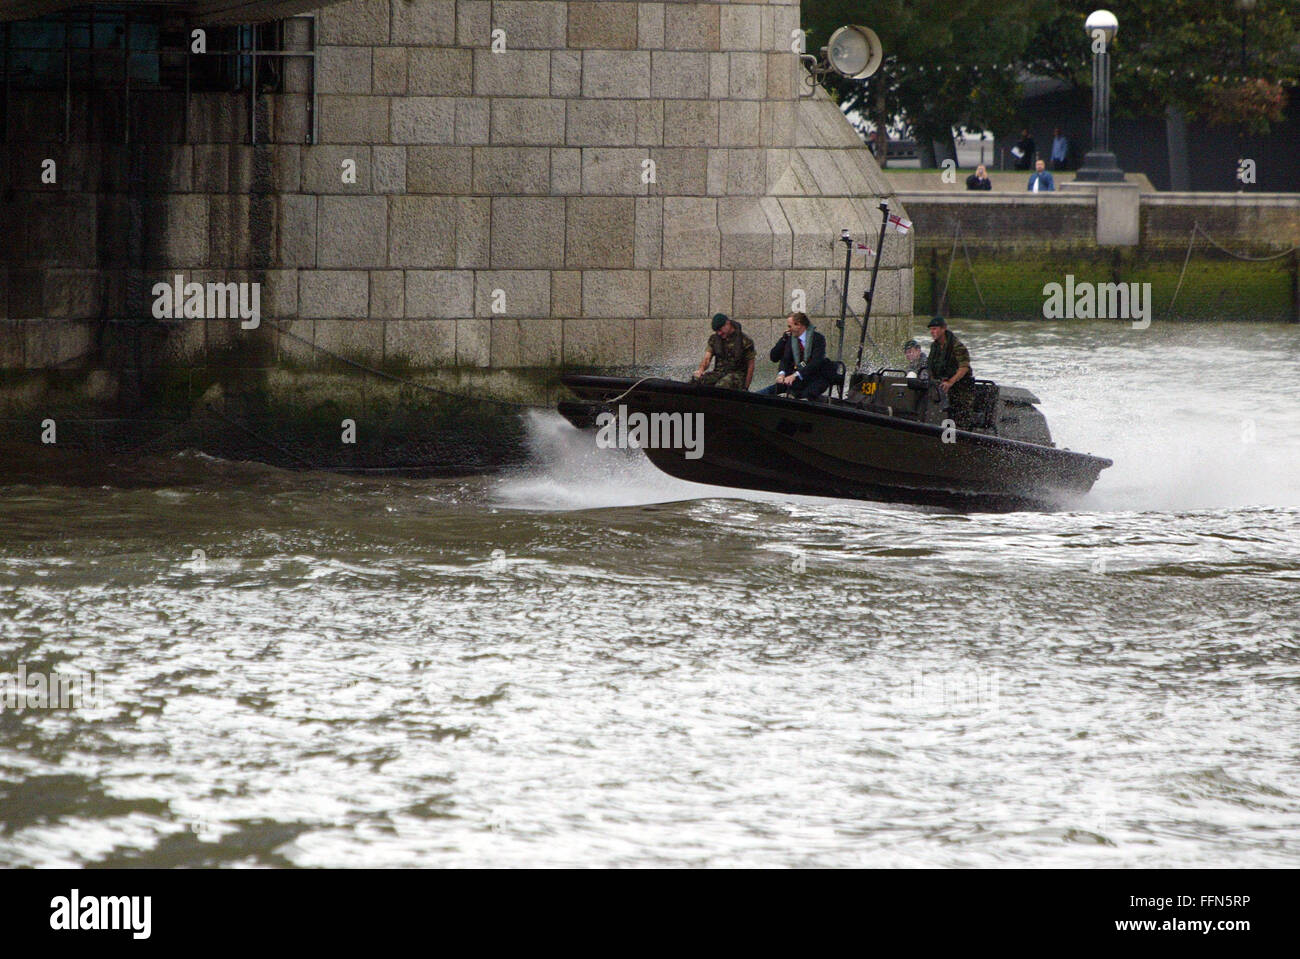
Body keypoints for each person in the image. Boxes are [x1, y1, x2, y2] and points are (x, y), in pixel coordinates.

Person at [769, 312, 835, 400]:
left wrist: (796, 375)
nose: (788, 330)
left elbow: (816, 361)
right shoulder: (789, 339)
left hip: (813, 379)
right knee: (768, 392)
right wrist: (781, 373)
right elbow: (779, 358)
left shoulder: (818, 339)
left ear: (799, 325)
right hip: (794, 381)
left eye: (790, 326)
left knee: (806, 396)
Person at [926, 317, 974, 429]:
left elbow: (964, 367)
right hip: (942, 386)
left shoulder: (957, 346)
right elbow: (931, 366)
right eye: (931, 329)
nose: (932, 332)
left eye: (935, 329)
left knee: (960, 417)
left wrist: (950, 382)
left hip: (961, 388)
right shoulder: (935, 346)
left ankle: (961, 438)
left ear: (943, 329)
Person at [691, 312, 755, 390]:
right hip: (719, 373)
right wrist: (701, 370)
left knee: (721, 385)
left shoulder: (745, 341)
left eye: (720, 330)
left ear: (728, 323)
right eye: (717, 331)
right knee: (696, 381)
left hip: (737, 376)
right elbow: (707, 359)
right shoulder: (714, 339)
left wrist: (745, 388)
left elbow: (751, 366)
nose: (719, 333)